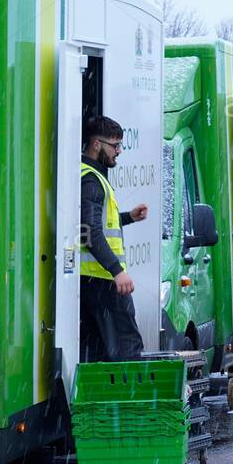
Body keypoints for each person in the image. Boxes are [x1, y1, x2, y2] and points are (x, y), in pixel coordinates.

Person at [79, 115, 148, 361]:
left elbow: (100, 223)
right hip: (102, 280)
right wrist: (117, 271)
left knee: (101, 351)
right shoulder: (91, 179)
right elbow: (89, 231)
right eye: (114, 145)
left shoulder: (91, 175)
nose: (118, 151)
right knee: (127, 346)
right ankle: (131, 398)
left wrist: (128, 217)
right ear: (96, 144)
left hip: (95, 281)